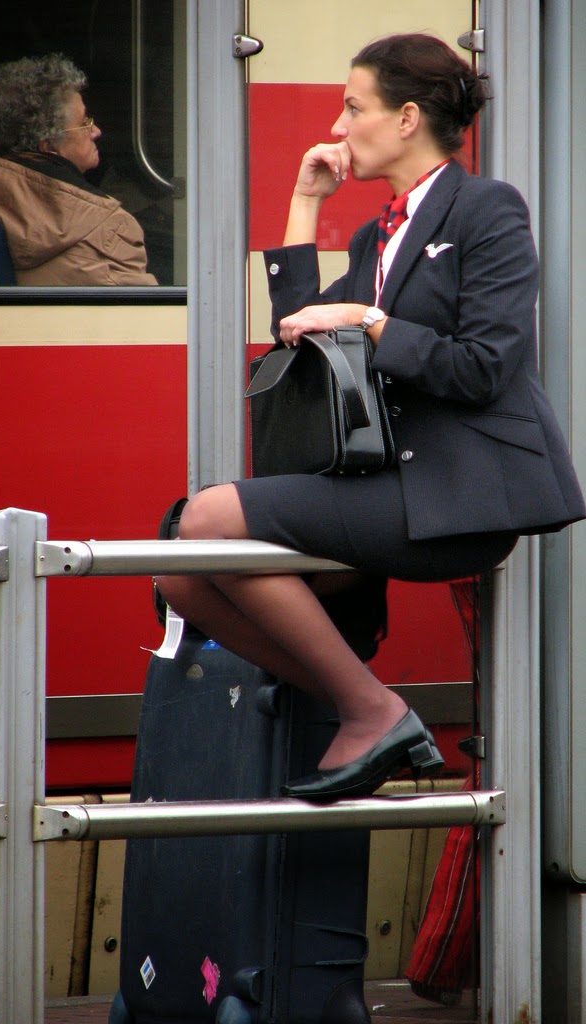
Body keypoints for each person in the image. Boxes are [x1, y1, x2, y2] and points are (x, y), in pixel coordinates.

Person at [156, 33, 586, 802]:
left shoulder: (487, 208)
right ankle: (364, 705)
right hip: (392, 487)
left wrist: (378, 323)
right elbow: (306, 344)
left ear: (407, 118)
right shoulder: (375, 234)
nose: (340, 123)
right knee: (183, 576)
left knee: (207, 519)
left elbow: (486, 365)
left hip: (460, 493)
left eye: (355, 106)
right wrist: (304, 202)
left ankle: (371, 712)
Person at [0, 54, 158, 286]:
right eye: (84, 122)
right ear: (48, 145)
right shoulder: (112, 229)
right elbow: (139, 320)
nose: (96, 132)